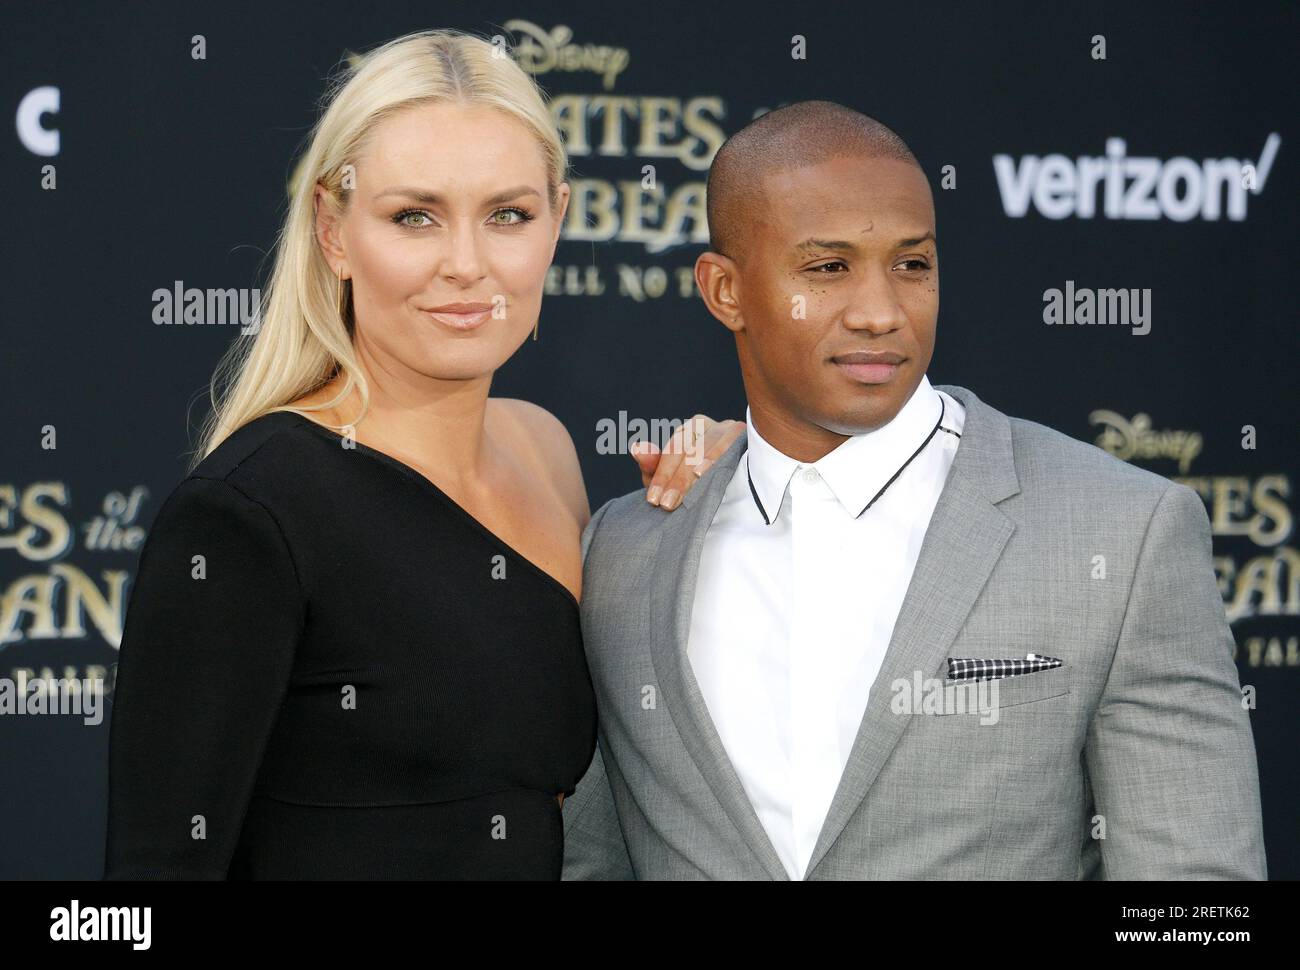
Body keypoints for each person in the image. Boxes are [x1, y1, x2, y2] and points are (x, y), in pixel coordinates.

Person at [561, 100, 1267, 880]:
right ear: (725, 291)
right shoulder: (627, 551)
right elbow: (594, 865)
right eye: (828, 268)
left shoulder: (1119, 533)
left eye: (912, 265)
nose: (880, 313)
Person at [103, 29, 740, 881]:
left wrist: (726, 493)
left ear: (558, 219)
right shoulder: (250, 513)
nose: (467, 266)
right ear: (334, 231)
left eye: (508, 215)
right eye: (415, 217)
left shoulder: (544, 448)